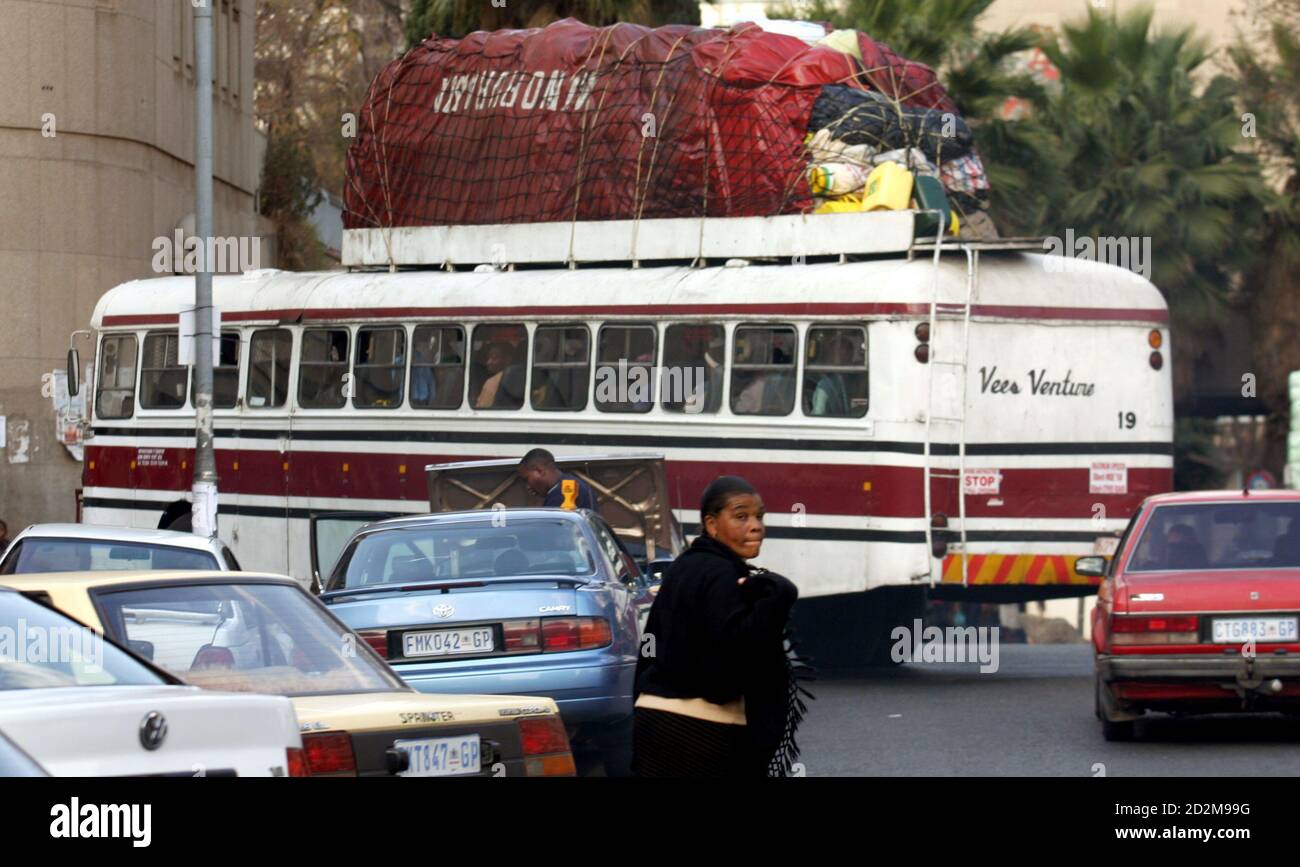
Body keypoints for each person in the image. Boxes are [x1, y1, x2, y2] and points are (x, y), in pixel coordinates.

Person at [632, 476, 809, 777]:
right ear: (712, 525)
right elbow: (736, 651)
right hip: (703, 728)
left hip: (652, 716)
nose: (756, 526)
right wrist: (778, 594)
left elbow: (653, 646)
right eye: (741, 516)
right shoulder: (723, 574)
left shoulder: (685, 567)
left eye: (759, 516)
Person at [517, 448, 598, 511]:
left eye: (527, 479)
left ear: (540, 471)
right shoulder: (570, 484)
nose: (527, 486)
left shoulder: (563, 493)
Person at [473, 342, 514, 408]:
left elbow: (482, 408)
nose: (488, 362)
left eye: (494, 358)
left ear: (508, 359)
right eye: (488, 358)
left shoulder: (492, 383)